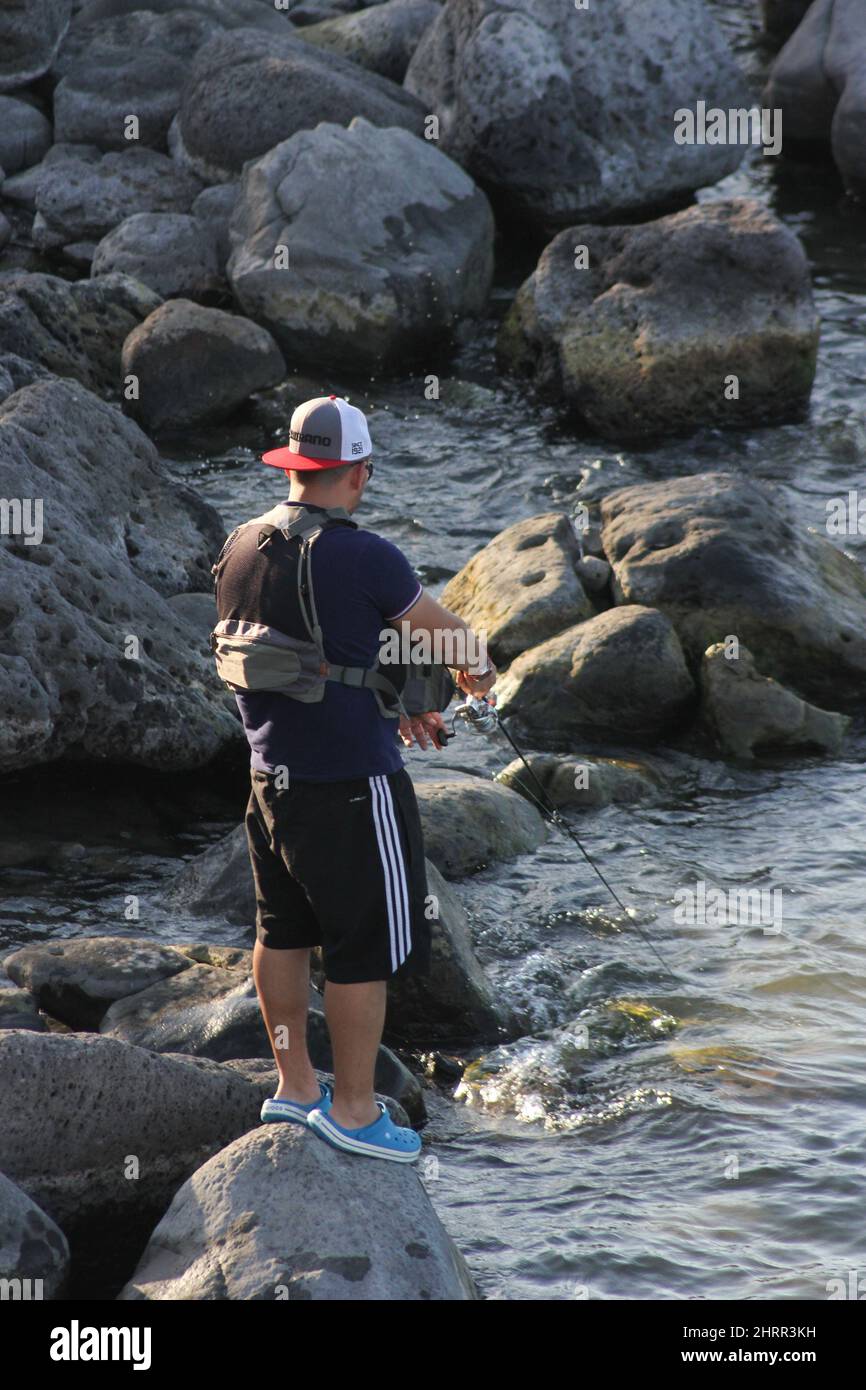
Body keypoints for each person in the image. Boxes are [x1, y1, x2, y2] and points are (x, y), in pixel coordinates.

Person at [212, 394, 496, 1163]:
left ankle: (296, 1088)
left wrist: (393, 707)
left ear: (296, 464)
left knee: (282, 935)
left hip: (270, 781)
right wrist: (479, 675)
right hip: (350, 787)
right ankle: (357, 1109)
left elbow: (308, 656)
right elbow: (456, 642)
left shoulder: (240, 546)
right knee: (363, 948)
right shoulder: (368, 555)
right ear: (359, 473)